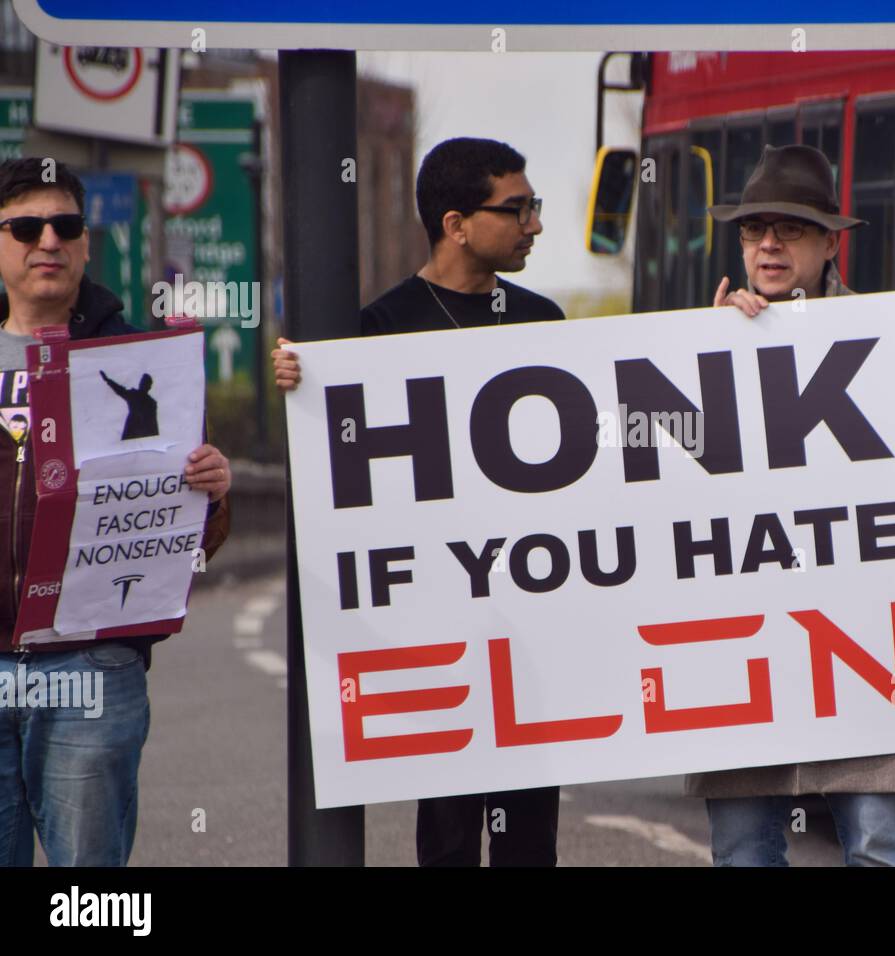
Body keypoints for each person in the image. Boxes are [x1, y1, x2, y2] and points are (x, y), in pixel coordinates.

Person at [272, 137, 564, 866]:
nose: (534, 225)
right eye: (518, 209)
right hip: (439, 629)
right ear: (457, 223)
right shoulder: (381, 327)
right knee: (449, 835)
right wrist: (304, 381)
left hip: (534, 621)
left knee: (532, 841)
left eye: (534, 208)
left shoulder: (544, 320)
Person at [698, 144, 895, 866]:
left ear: (829, 243)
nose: (767, 244)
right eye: (754, 228)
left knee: (880, 846)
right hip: (743, 649)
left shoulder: (882, 335)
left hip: (864, 644)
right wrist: (708, 345)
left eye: (789, 229)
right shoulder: (699, 340)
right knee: (743, 853)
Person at [0, 157, 232, 867]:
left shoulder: (140, 360)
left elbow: (186, 535)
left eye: (66, 225)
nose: (49, 241)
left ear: (87, 243)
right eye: (26, 227)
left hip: (93, 664)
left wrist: (213, 491)